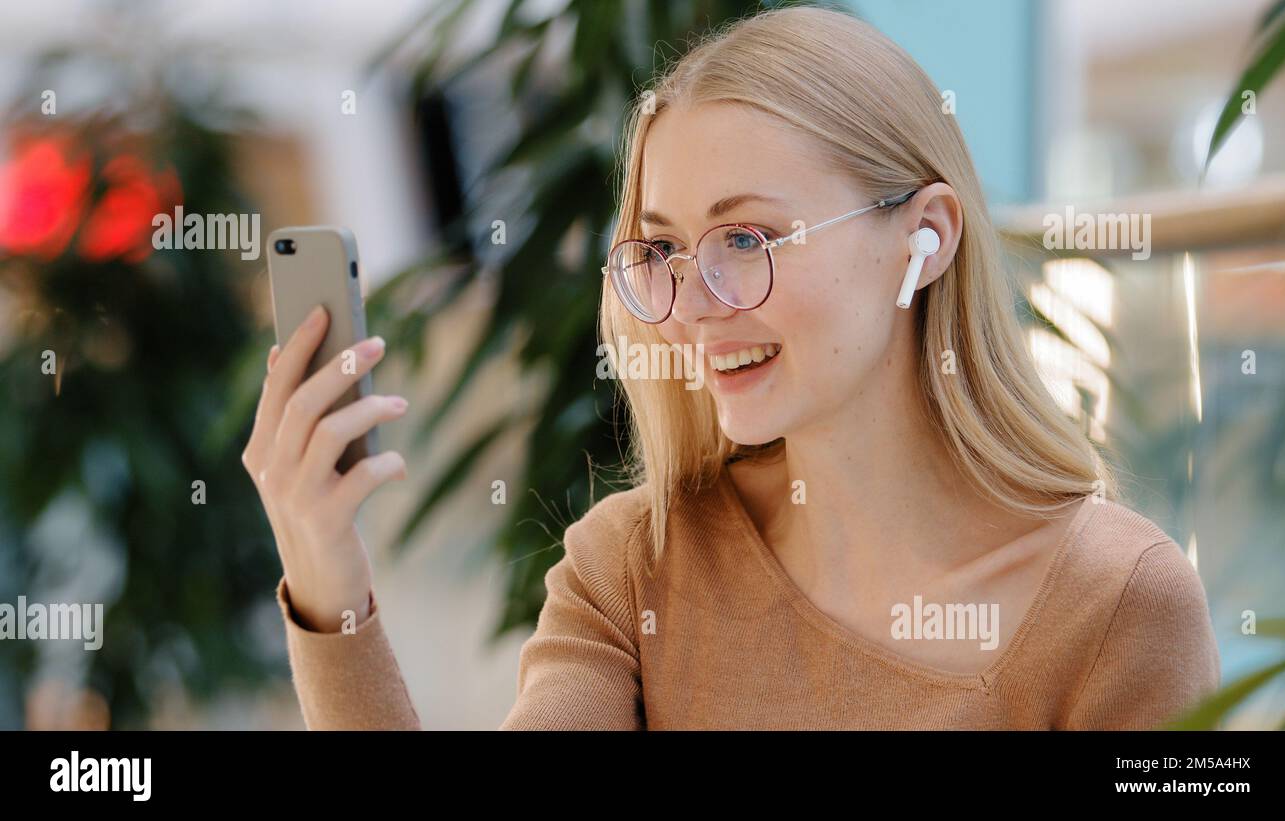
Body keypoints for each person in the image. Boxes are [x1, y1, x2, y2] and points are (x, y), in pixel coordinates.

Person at [242, 5, 1219, 729]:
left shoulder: (1119, 603)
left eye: (745, 238)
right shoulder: (631, 567)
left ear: (923, 241)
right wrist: (328, 577)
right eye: (662, 249)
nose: (692, 301)